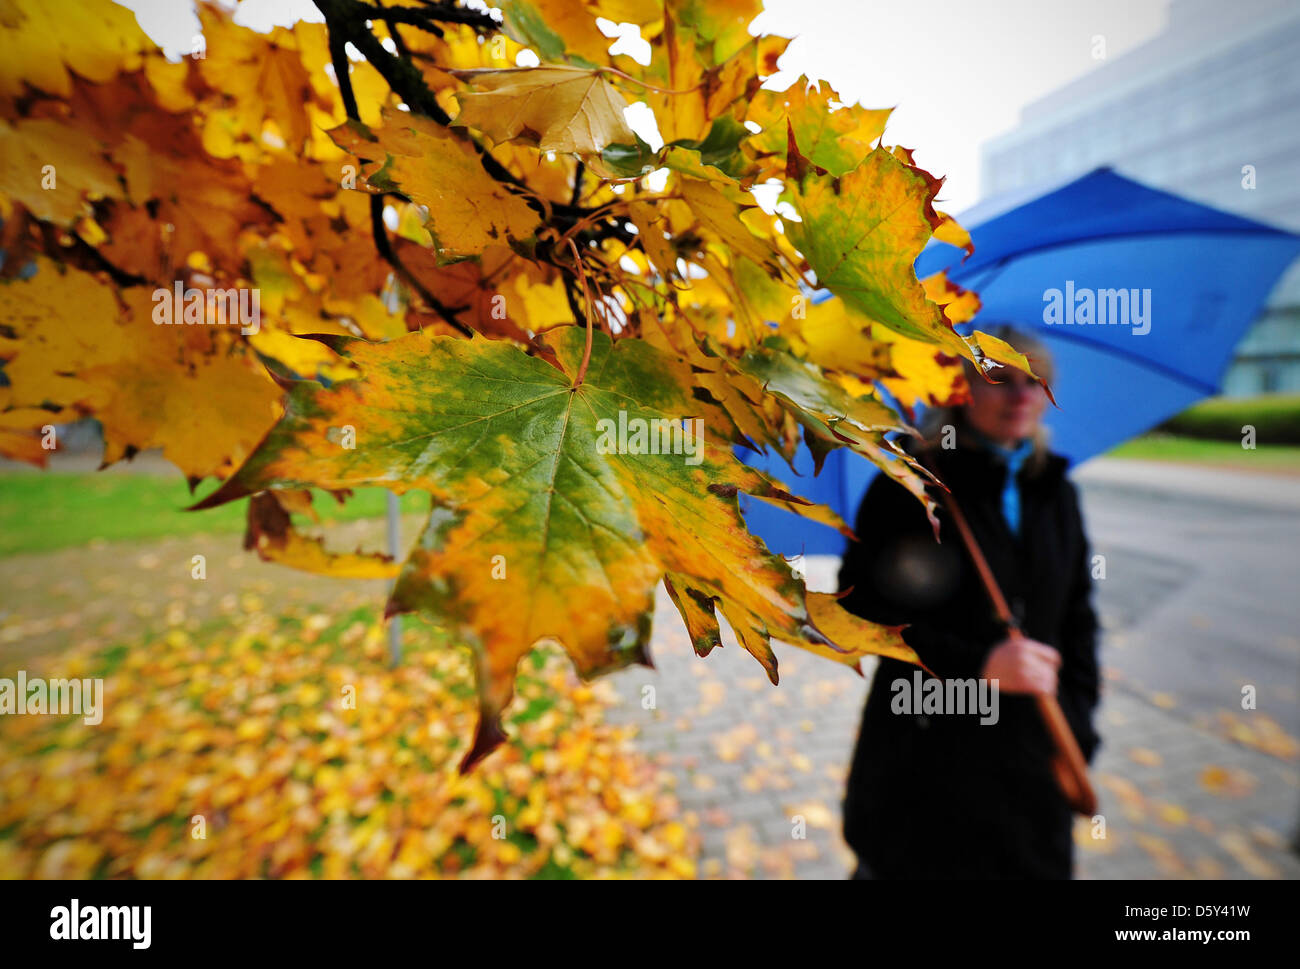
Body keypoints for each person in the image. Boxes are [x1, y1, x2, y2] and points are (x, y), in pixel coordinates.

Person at [838, 324, 1101, 879]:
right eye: (1001, 379)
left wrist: (1077, 728)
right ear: (960, 391)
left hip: (1032, 769)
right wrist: (978, 666)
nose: (1022, 396)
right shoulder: (909, 483)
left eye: (1037, 383)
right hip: (924, 768)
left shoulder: (1057, 492)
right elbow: (862, 612)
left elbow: (1078, 620)